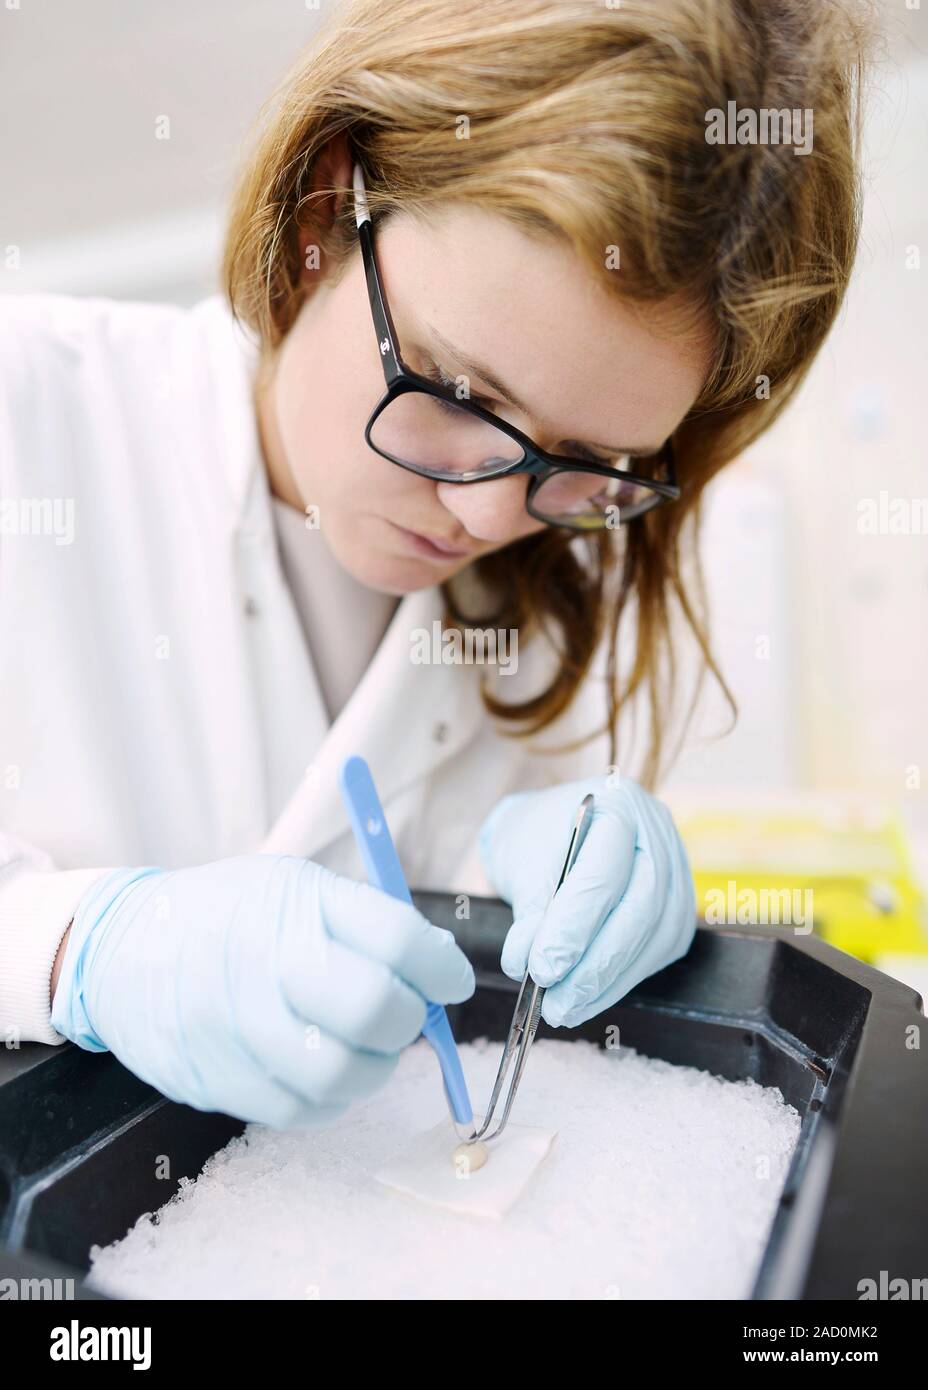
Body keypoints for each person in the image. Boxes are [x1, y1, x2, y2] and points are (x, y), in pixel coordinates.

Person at [0, 0, 866, 1128]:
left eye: (591, 457)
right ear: (325, 203)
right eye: (460, 394)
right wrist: (77, 947)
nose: (487, 512)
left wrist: (545, 886)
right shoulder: (31, 416)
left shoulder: (561, 553)